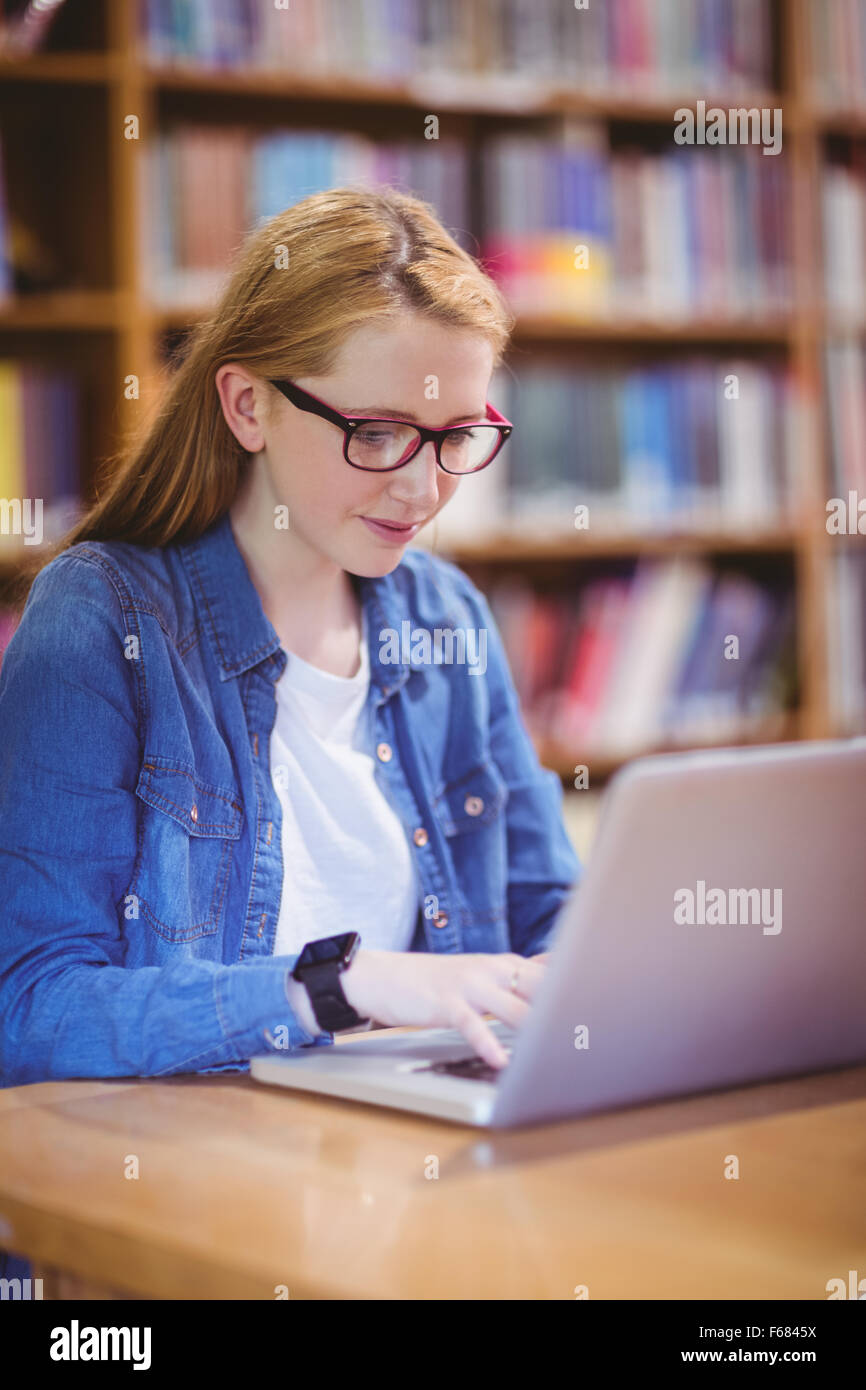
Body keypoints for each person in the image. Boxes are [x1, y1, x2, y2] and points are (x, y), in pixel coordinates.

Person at [0, 186, 580, 1094]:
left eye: (456, 436)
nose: (423, 492)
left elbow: (551, 915)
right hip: (198, 1184)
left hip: (415, 1170)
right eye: (379, 433)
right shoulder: (100, 622)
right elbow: (33, 1011)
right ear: (247, 406)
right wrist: (338, 987)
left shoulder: (447, 621)